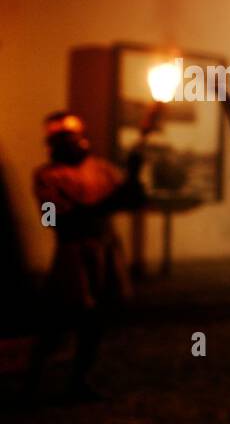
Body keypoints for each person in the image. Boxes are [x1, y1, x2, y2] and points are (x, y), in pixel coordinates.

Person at [23, 112, 145, 402]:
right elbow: (63, 218)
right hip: (73, 255)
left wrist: (135, 175)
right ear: (53, 144)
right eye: (65, 138)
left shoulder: (101, 169)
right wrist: (113, 199)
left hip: (105, 251)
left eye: (77, 136)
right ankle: (32, 380)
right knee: (59, 321)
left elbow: (133, 201)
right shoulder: (46, 176)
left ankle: (79, 379)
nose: (75, 142)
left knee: (96, 321)